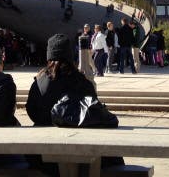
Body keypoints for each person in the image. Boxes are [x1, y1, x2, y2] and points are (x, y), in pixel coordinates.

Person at [26, 34, 123, 173]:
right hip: (81, 155)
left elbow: (32, 112)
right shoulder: (81, 81)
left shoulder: (39, 82)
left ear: (49, 57)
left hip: (43, 158)